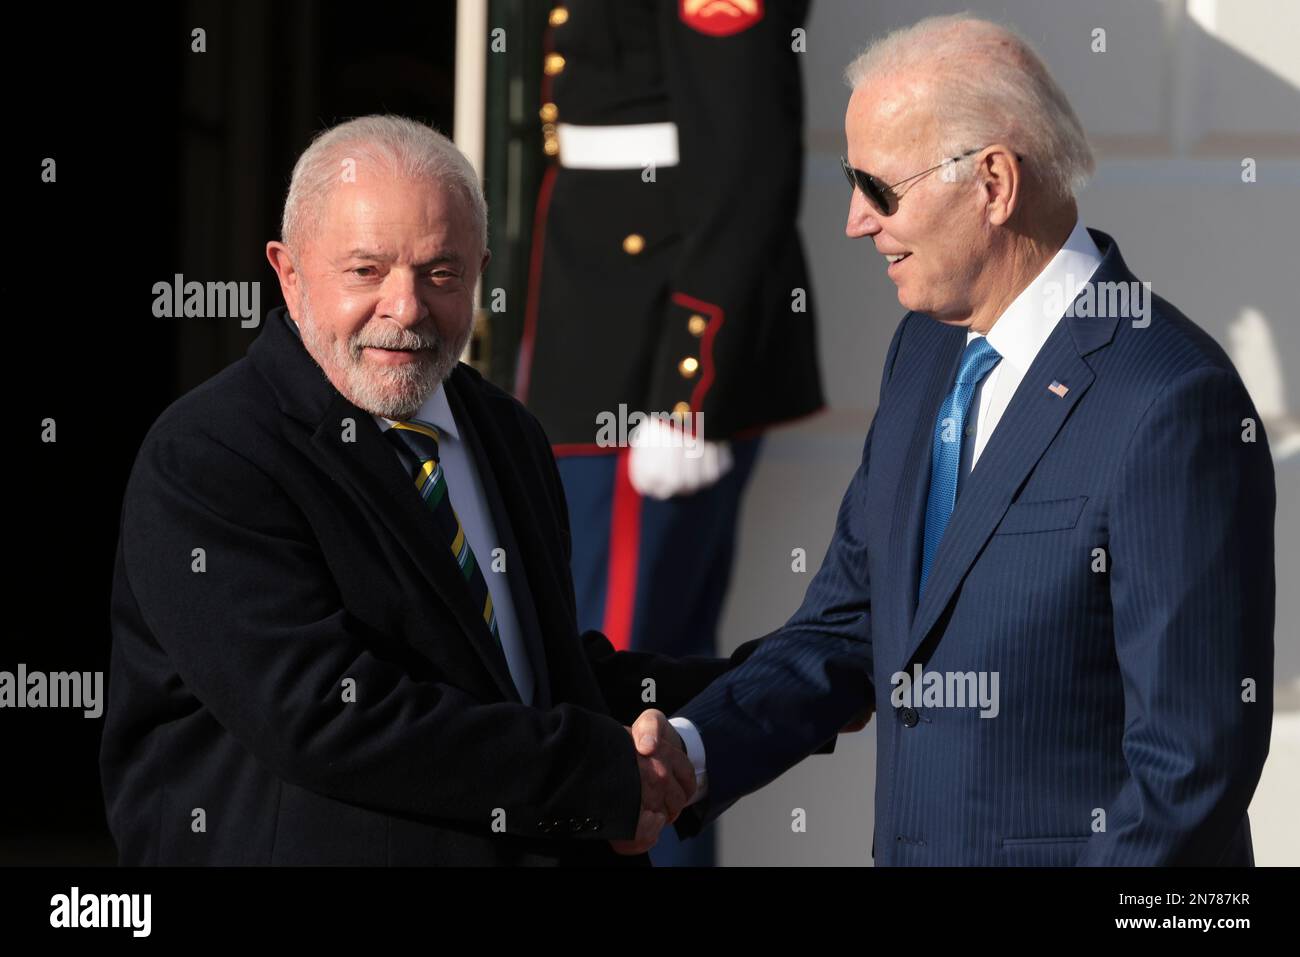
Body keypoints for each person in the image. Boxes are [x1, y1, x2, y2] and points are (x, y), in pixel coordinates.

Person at [633, 14, 1276, 866]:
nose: (858, 221)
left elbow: (1192, 765)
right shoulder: (929, 349)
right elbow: (847, 623)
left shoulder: (1169, 398)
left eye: (880, 187)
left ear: (994, 184)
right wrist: (690, 749)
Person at [99, 115, 765, 865]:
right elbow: (326, 715)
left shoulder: (504, 431)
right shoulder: (211, 457)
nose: (406, 306)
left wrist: (771, 683)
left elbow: (532, 675)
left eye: (440, 272)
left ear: (480, 271)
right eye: (366, 270)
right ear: (288, 273)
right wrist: (603, 775)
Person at [516, 0, 823, 867]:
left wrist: (689, 388)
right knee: (649, 707)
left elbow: (748, 161)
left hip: (646, 354)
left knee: (629, 728)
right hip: (597, 330)